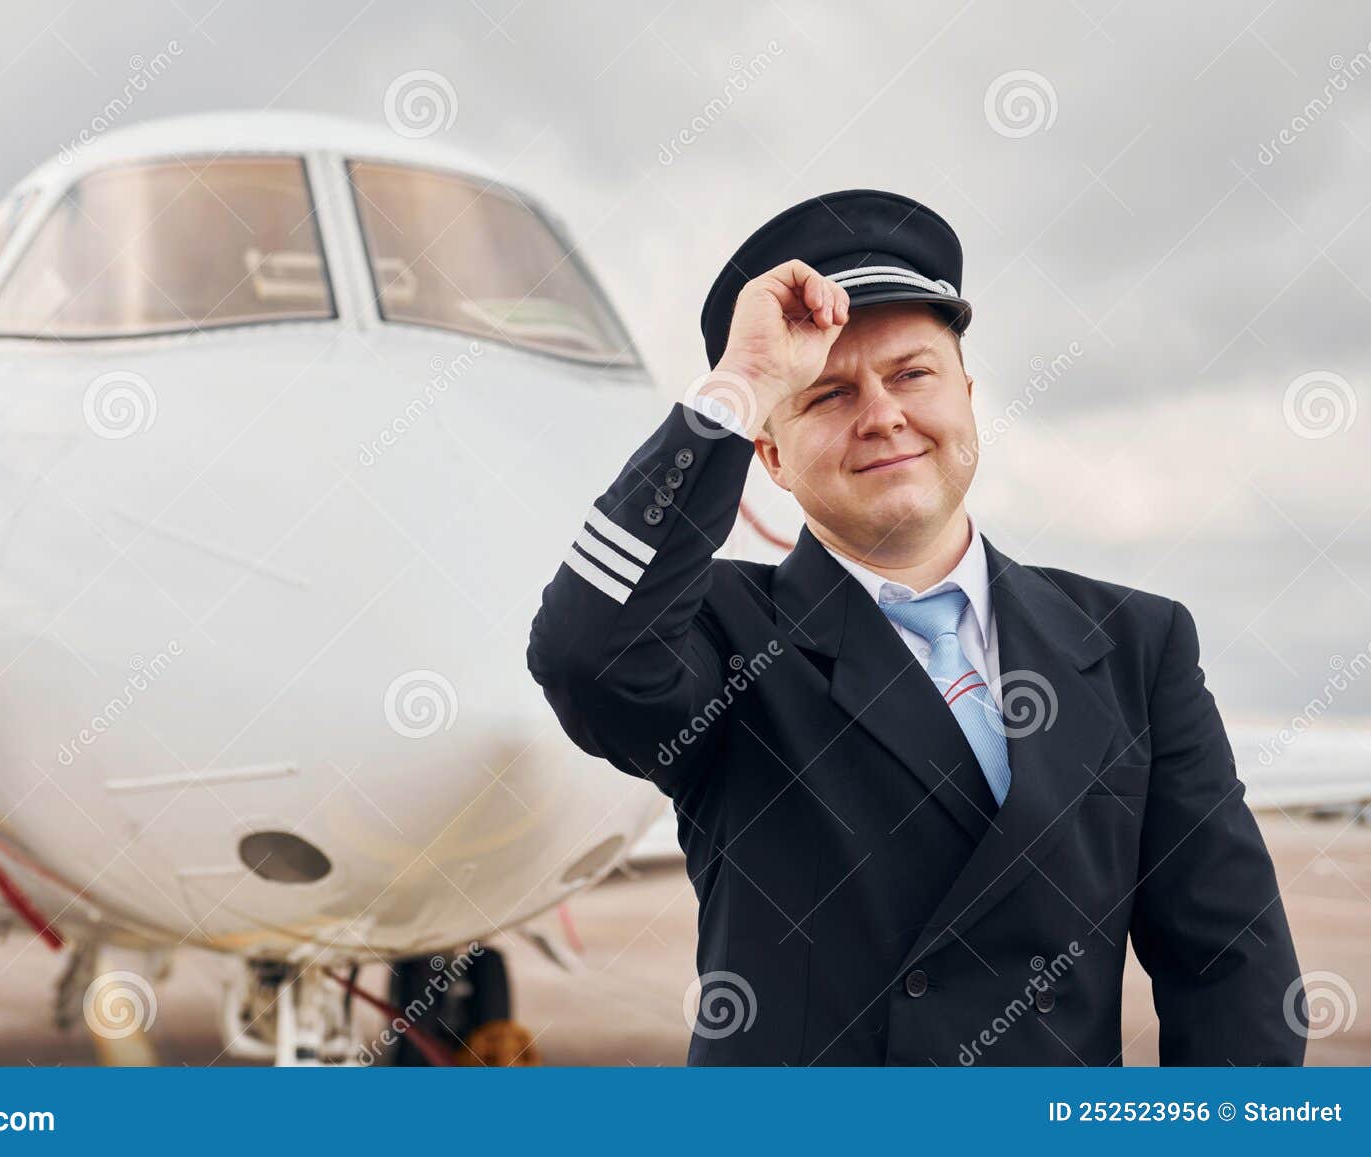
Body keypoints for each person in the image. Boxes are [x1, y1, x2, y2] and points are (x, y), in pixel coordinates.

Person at [525, 189, 1306, 1066]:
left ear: (968, 398)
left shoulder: (1137, 645)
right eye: (828, 394)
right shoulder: (725, 634)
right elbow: (585, 654)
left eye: (912, 375)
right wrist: (739, 385)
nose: (882, 414)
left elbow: (1229, 964)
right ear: (770, 454)